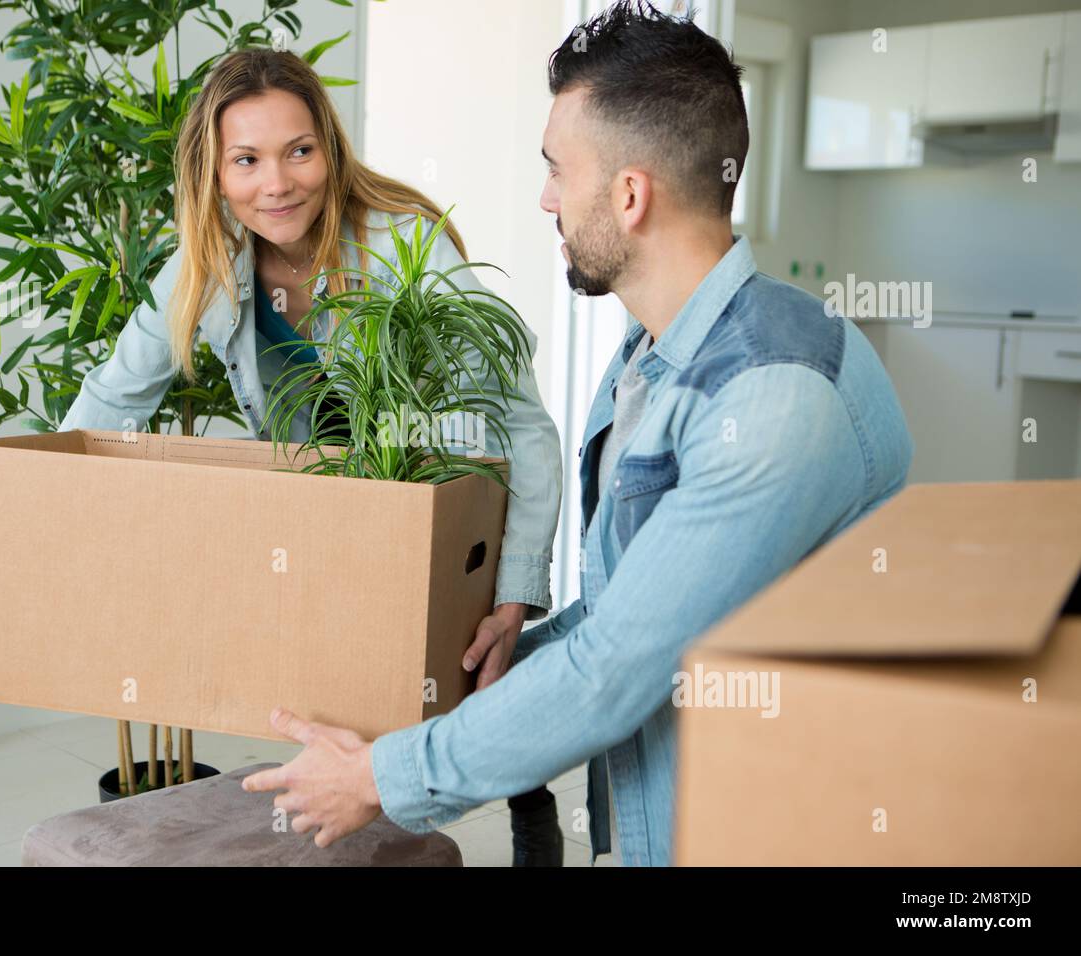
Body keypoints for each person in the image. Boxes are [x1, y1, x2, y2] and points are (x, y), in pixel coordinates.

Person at [241, 0, 915, 866]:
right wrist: (506, 659)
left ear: (629, 194)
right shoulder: (652, 356)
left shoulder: (774, 396)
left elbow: (616, 671)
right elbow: (623, 612)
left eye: (559, 169)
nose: (546, 197)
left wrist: (381, 776)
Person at [56, 50, 568, 864]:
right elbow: (112, 399)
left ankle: (526, 794)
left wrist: (512, 597)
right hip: (320, 530)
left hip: (415, 515)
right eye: (247, 160)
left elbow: (519, 423)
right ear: (215, 174)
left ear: (329, 147)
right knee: (335, 758)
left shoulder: (406, 245)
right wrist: (40, 498)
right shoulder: (207, 267)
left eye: (299, 150)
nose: (277, 183)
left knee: (444, 725)